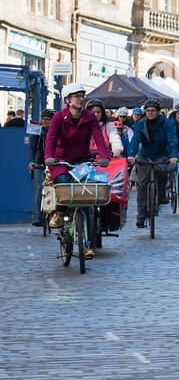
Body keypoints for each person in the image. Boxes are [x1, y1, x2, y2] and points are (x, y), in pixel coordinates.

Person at [44, 84, 111, 254]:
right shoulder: (59, 117)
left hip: (82, 162)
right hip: (61, 162)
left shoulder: (89, 117)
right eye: (77, 96)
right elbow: (51, 139)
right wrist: (49, 158)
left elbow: (99, 137)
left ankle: (88, 245)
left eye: (82, 95)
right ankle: (59, 213)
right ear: (68, 100)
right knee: (63, 182)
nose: (81, 98)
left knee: (87, 200)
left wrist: (104, 156)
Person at [127, 98, 179, 228]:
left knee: (161, 173)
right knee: (142, 186)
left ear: (158, 112)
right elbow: (135, 140)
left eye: (153, 111)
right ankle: (141, 215)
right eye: (148, 110)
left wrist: (173, 156)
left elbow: (172, 140)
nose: (150, 113)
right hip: (145, 155)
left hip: (162, 154)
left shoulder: (166, 123)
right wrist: (132, 155)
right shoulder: (140, 123)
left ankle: (161, 195)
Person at [27, 107, 54, 225]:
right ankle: (37, 217)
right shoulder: (36, 129)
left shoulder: (57, 130)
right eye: (43, 119)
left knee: (55, 189)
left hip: (54, 163)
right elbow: (32, 147)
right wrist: (31, 161)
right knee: (38, 189)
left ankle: (56, 215)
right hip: (39, 162)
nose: (45, 122)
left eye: (48, 120)